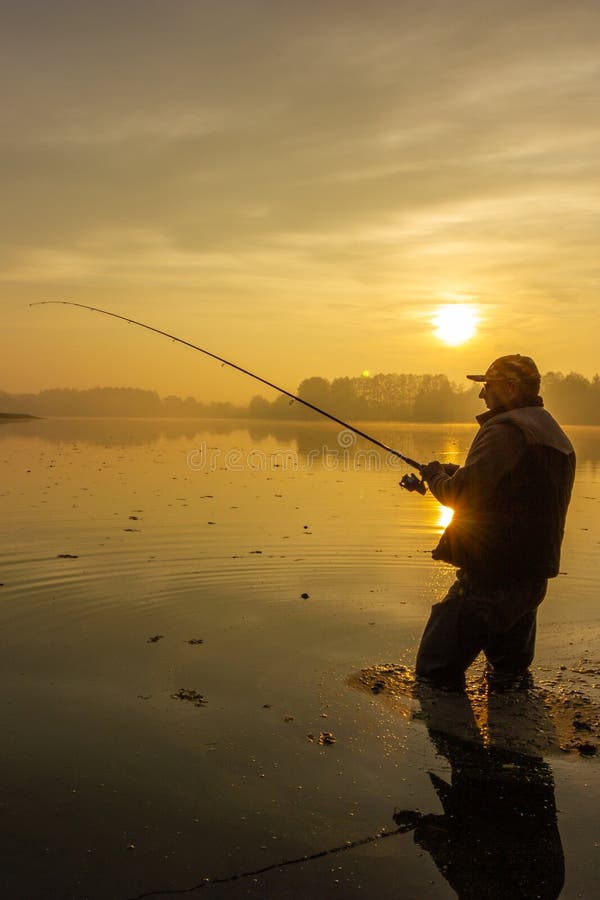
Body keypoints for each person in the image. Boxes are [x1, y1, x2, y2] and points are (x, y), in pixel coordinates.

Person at [415, 354, 575, 691]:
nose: (481, 394)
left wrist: (433, 475)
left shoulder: (505, 430)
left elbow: (460, 496)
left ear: (511, 388)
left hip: (491, 579)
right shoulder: (548, 428)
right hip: (530, 579)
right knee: (509, 678)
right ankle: (514, 741)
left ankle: (455, 744)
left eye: (488, 386)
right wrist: (453, 471)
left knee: (433, 672)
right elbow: (516, 488)